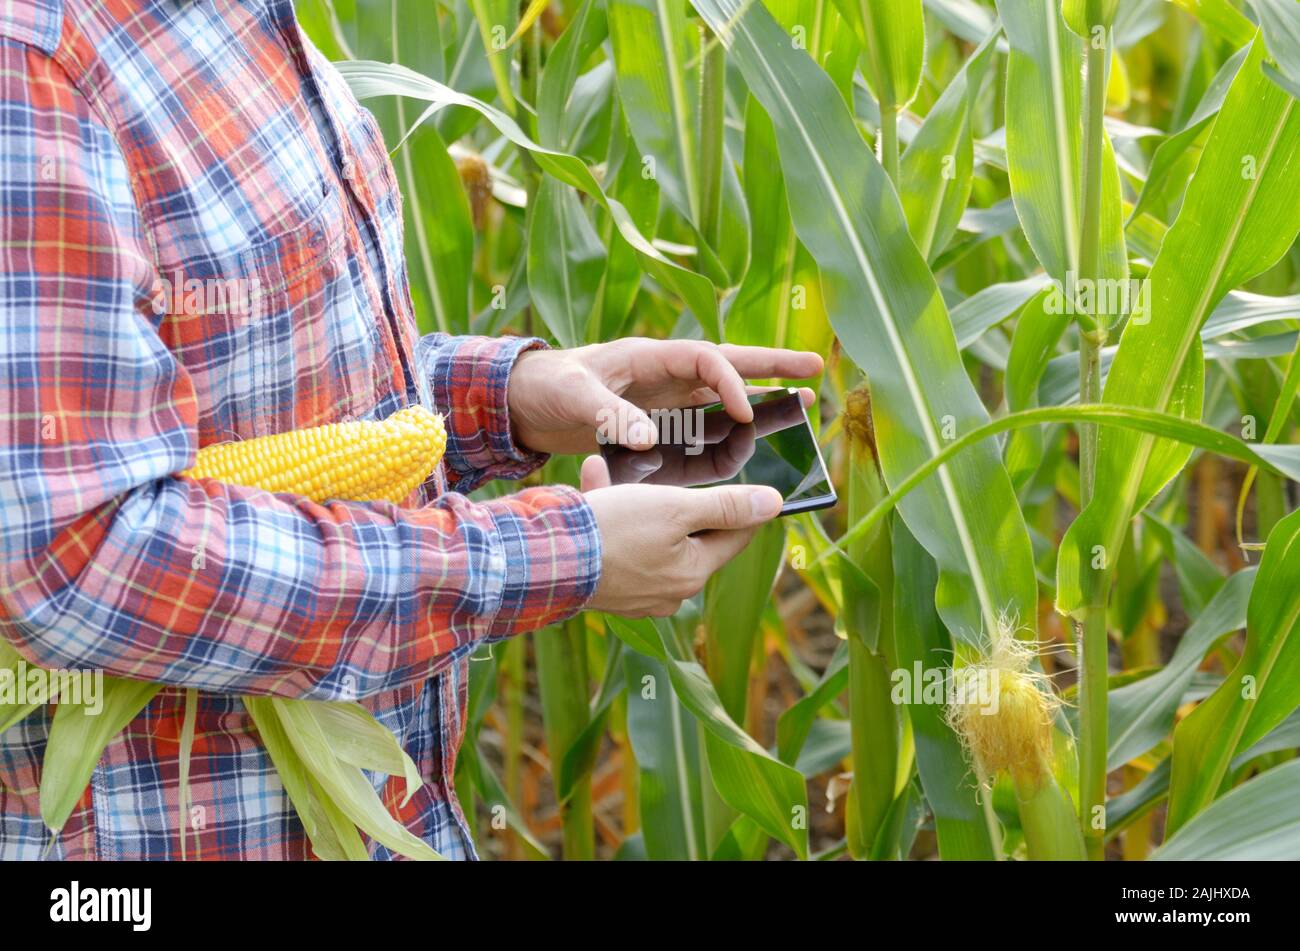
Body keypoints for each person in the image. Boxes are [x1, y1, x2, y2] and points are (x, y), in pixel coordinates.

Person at [0, 0, 822, 859]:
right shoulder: (37, 62)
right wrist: (538, 559)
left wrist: (504, 395)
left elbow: (264, 393)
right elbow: (80, 555)